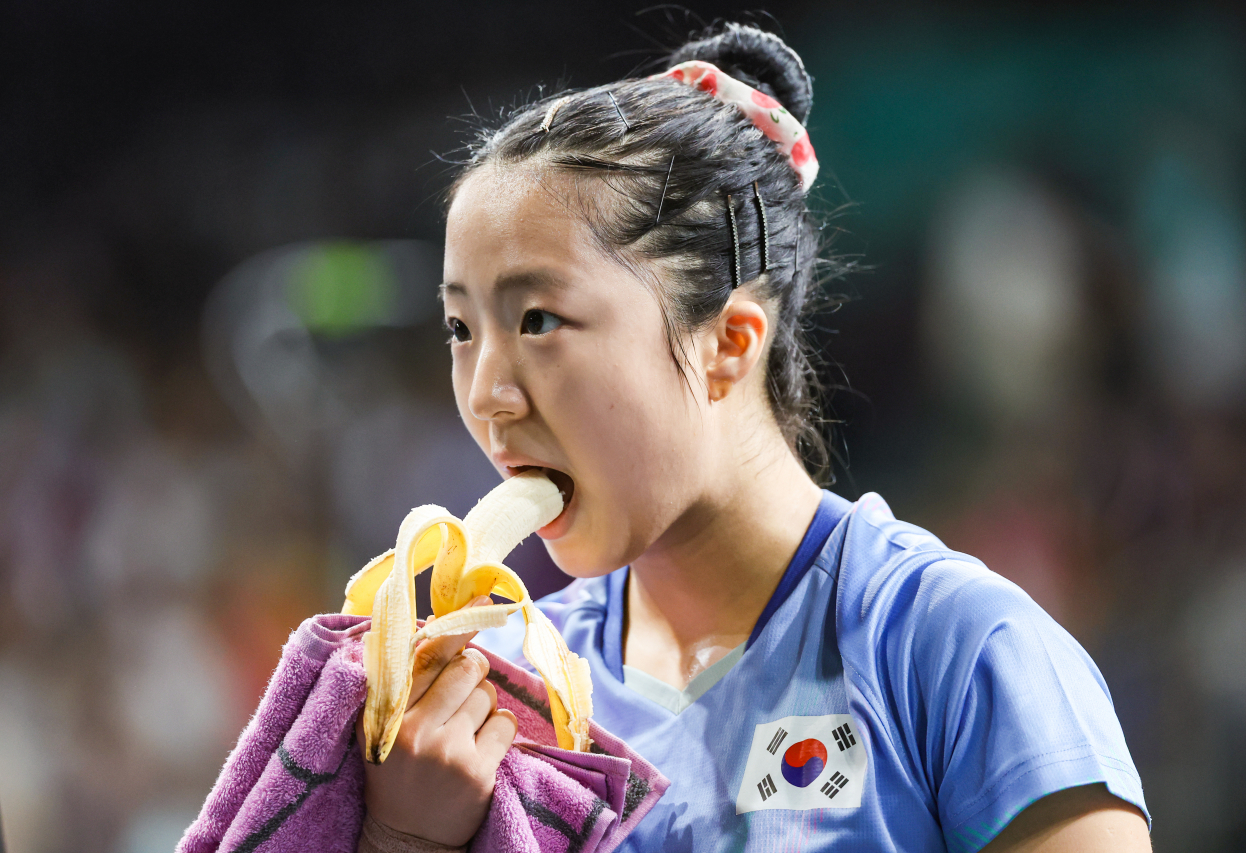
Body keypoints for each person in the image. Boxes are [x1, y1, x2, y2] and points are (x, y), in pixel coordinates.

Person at [357, 23, 1151, 853]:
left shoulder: (957, 650)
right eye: (459, 327)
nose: (487, 393)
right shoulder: (489, 698)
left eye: (538, 319)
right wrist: (403, 838)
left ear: (729, 342)